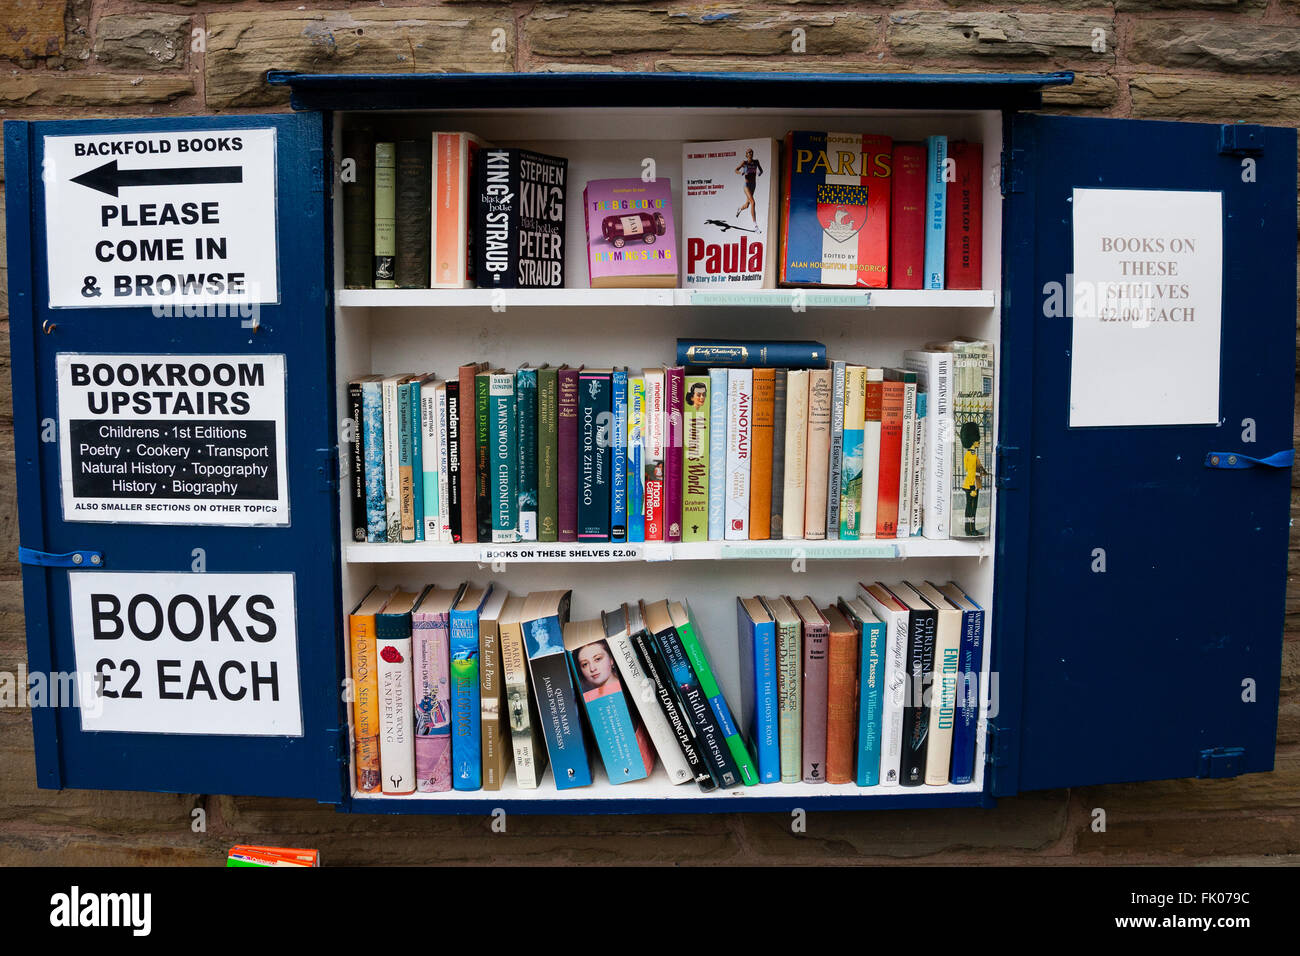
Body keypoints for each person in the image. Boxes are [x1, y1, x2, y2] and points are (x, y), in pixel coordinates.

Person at [960, 421, 987, 536]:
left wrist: (983, 472)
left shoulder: (971, 454)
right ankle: (970, 529)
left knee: (971, 509)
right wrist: (972, 488)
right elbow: (970, 472)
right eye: (977, 440)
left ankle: (971, 528)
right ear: (972, 441)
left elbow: (977, 468)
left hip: (973, 484)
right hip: (971, 486)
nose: (978, 442)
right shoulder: (970, 456)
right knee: (971, 509)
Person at [735, 148, 764, 223]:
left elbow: (761, 171)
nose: (750, 153)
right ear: (746, 155)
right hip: (746, 186)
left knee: (747, 205)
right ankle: (755, 225)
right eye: (749, 152)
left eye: (751, 152)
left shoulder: (756, 162)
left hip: (753, 185)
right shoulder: (744, 163)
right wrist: (741, 173)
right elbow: (736, 170)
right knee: (753, 202)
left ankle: (740, 209)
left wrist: (759, 173)